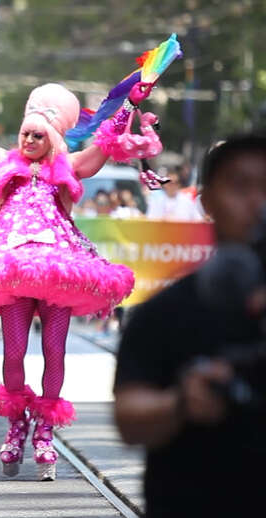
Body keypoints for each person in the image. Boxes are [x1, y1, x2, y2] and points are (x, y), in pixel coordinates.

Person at [0, 57, 160, 480]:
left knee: (54, 351)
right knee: (13, 352)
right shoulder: (3, 161)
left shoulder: (70, 166)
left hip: (59, 272)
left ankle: (45, 430)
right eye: (25, 132)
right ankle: (16, 426)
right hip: (13, 271)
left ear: (52, 137)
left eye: (37, 134)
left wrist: (131, 104)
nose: (28, 139)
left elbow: (104, 144)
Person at [114, 134, 266, 517]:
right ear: (207, 201)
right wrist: (181, 403)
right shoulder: (164, 312)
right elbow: (129, 420)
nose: (258, 203)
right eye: (241, 187)